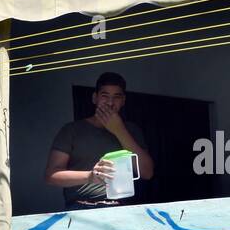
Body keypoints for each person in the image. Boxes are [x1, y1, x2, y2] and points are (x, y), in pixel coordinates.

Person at [44, 71, 154, 210]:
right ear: (95, 98)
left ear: (123, 101)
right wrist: (90, 176)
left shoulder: (131, 130)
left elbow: (147, 172)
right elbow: (51, 176)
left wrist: (119, 130)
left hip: (121, 208)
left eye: (116, 97)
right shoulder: (72, 130)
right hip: (81, 208)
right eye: (105, 96)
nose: (110, 102)